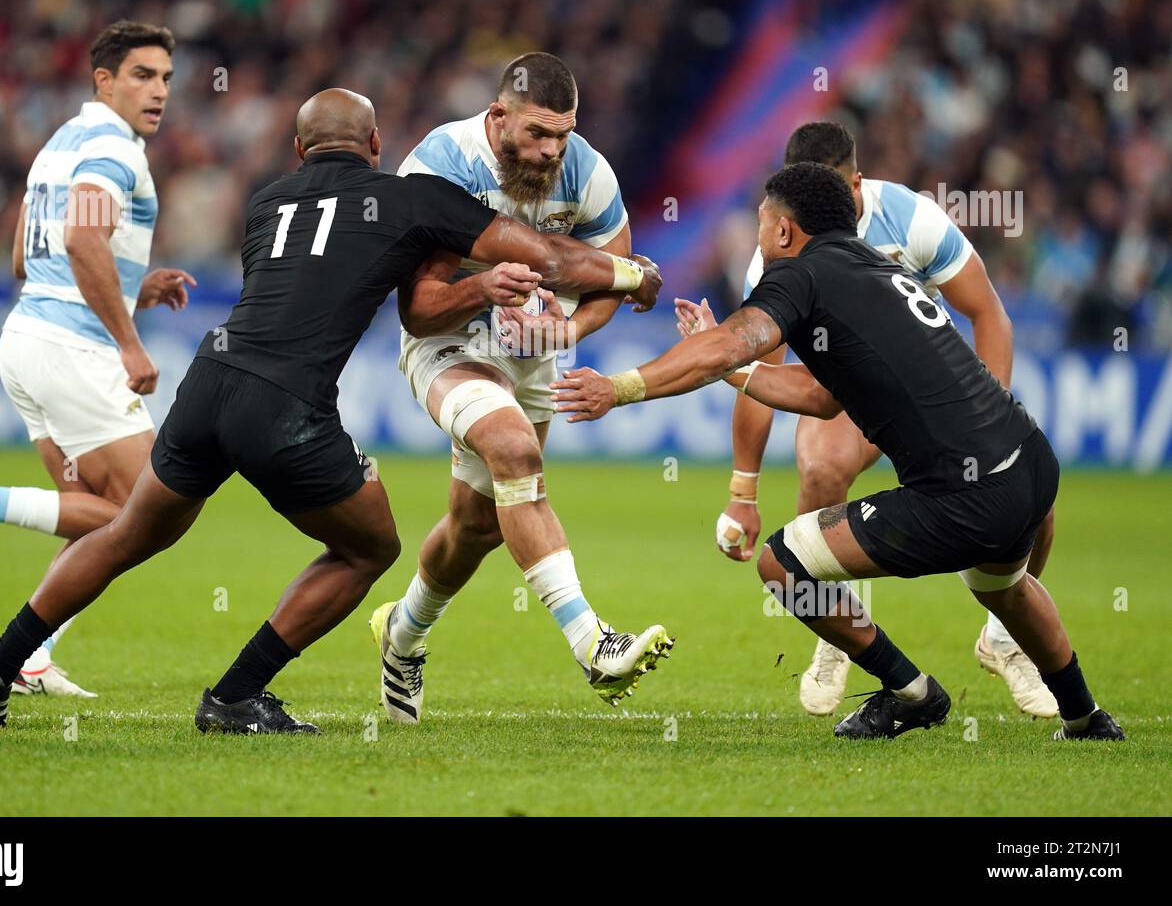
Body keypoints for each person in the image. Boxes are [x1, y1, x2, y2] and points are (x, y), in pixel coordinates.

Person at [0, 87, 663, 734]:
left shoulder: (266, 202)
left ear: (298, 151)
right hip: (284, 404)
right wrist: (635, 274)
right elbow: (549, 256)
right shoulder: (411, 198)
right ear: (377, 147)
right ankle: (235, 695)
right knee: (368, 548)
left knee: (128, 532)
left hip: (209, 379)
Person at [553, 161, 1123, 742]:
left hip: (965, 496)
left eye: (760, 223)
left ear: (782, 231)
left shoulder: (799, 275)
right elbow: (823, 396)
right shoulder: (873, 264)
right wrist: (730, 362)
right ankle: (1086, 718)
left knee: (782, 564)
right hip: (1029, 462)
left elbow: (729, 344)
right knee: (1004, 588)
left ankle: (910, 692)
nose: (758, 236)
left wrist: (618, 387)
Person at [690, 121, 1055, 719]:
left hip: (937, 394)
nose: (825, 211)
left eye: (836, 194)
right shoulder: (776, 255)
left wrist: (991, 418)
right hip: (852, 394)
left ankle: (1003, 638)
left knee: (1032, 497)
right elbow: (763, 371)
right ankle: (837, 636)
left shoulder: (910, 217)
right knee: (823, 467)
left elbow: (987, 311)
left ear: (857, 183)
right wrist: (742, 489)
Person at [367, 52, 673, 724]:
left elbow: (611, 278)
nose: (551, 150)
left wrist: (565, 331)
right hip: (448, 343)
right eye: (537, 134)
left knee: (476, 525)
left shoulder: (588, 172)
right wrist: (483, 286)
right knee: (514, 452)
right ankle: (595, 644)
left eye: (562, 134)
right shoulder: (442, 164)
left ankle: (403, 634)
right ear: (498, 115)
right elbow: (417, 308)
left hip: (532, 352)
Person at [0, 21, 195, 697]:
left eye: (165, 79)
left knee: (91, 510)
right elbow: (81, 238)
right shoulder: (111, 147)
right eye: (142, 75)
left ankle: (31, 658)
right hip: (74, 350)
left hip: (28, 340)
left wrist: (134, 287)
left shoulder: (56, 146)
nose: (158, 91)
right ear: (102, 80)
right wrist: (129, 338)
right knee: (148, 515)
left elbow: (23, 258)